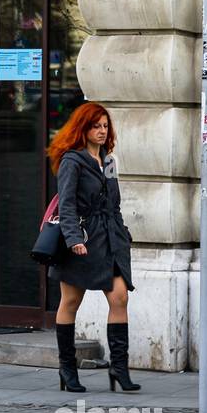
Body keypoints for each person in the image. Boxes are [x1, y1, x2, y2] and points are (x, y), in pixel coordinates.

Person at [46, 102, 140, 393]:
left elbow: (115, 203)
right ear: (82, 129)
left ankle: (119, 369)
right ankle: (67, 369)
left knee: (120, 297)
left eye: (105, 126)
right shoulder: (71, 161)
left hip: (110, 239)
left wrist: (122, 234)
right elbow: (68, 203)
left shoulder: (109, 161)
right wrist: (73, 239)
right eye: (95, 126)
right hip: (83, 241)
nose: (102, 131)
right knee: (71, 303)